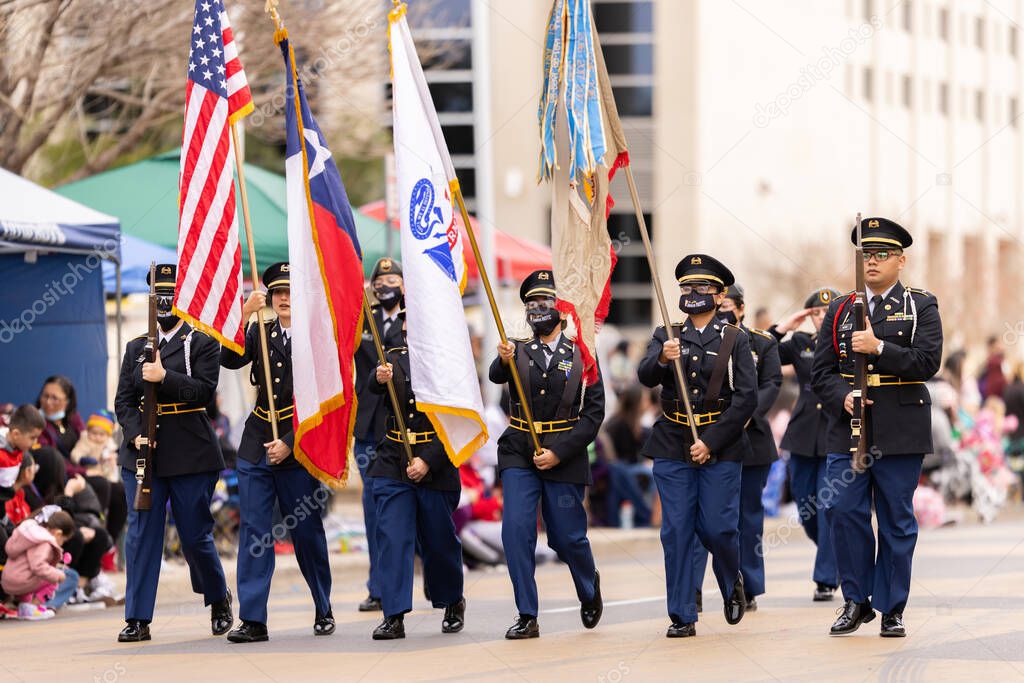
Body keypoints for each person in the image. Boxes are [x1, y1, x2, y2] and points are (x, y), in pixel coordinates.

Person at [811, 217, 942, 637]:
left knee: (896, 519)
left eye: (881, 254)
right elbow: (822, 372)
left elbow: (927, 362)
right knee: (841, 510)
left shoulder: (920, 305)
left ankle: (891, 606)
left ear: (900, 260)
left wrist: (879, 348)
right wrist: (843, 397)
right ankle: (856, 599)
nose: (872, 260)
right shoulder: (842, 308)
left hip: (900, 425)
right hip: (849, 425)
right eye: (866, 253)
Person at [637, 254, 757, 638]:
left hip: (719, 443)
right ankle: (682, 613)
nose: (693, 293)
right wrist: (661, 358)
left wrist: (711, 442)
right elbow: (644, 376)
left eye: (702, 288)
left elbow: (746, 399)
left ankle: (729, 579)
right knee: (676, 530)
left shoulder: (735, 340)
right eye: (687, 287)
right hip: (673, 441)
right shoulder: (667, 333)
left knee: (719, 528)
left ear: (720, 295)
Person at [113, 263, 232, 643]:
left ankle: (218, 598)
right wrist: (134, 435)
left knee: (195, 533)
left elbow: (203, 392)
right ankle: (138, 618)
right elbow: (124, 401)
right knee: (142, 534)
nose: (163, 301)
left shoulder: (202, 341)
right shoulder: (136, 348)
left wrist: (165, 378)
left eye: (170, 294)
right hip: (143, 455)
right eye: (157, 294)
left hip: (190, 451)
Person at [219, 262, 334, 643]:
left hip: (298, 441)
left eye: (290, 292)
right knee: (254, 528)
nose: (284, 299)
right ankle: (253, 619)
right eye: (277, 293)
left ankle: (323, 605)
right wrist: (243, 313)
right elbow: (228, 357)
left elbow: (324, 400)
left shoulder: (315, 337)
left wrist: (289, 439)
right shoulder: (259, 331)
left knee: (305, 529)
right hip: (257, 440)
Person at [490, 269, 605, 640]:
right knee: (516, 530)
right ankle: (527, 613)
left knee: (566, 538)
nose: (539, 308)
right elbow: (496, 376)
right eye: (533, 303)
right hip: (519, 450)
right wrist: (502, 357)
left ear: (562, 309)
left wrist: (560, 453)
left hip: (565, 454)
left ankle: (589, 585)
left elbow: (593, 415)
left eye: (547, 302)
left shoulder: (581, 354)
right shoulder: (517, 348)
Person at [366, 314, 466, 640]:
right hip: (393, 459)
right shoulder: (393, 359)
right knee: (393, 536)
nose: (409, 334)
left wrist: (428, 460)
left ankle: (452, 598)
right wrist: (378, 378)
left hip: (435, 461)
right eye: (406, 329)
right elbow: (372, 385)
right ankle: (393, 615)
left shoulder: (448, 365)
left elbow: (454, 420)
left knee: (438, 541)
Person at [692, 284, 782, 612]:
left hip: (751, 439)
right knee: (701, 517)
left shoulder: (760, 342)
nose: (724, 309)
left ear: (741, 309)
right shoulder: (699, 338)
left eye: (729, 304)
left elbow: (771, 383)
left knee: (746, 517)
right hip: (707, 439)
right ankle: (692, 588)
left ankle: (748, 585)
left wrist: (746, 416)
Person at [769, 287, 842, 602]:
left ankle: (825, 578)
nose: (821, 318)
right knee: (806, 508)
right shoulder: (801, 343)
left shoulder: (849, 343)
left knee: (828, 507)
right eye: (815, 313)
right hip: (801, 434)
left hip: (833, 433)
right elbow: (761, 353)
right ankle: (833, 554)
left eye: (827, 313)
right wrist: (784, 328)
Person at [352, 257, 405, 613]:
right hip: (371, 428)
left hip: (410, 428)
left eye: (393, 278)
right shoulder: (363, 320)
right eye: (381, 279)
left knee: (421, 507)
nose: (386, 284)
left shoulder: (415, 318)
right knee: (374, 510)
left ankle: (437, 581)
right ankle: (379, 586)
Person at [2, 509, 77, 619]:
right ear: (58, 533)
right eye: (63, 540)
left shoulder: (30, 537)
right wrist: (59, 575)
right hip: (20, 582)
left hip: (8, 581)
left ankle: (24, 607)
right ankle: (32, 607)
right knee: (52, 578)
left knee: (32, 573)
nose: (61, 544)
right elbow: (38, 566)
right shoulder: (44, 542)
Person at [601, 385, 652, 527]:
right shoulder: (616, 424)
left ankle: (645, 515)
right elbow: (612, 457)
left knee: (652, 473)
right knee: (619, 471)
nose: (647, 403)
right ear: (636, 402)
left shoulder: (641, 425)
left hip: (632, 468)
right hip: (618, 467)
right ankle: (644, 515)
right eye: (644, 400)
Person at [1, 405, 45, 505]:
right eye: (32, 438)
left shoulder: (18, 447)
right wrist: (21, 483)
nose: (36, 442)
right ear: (16, 434)